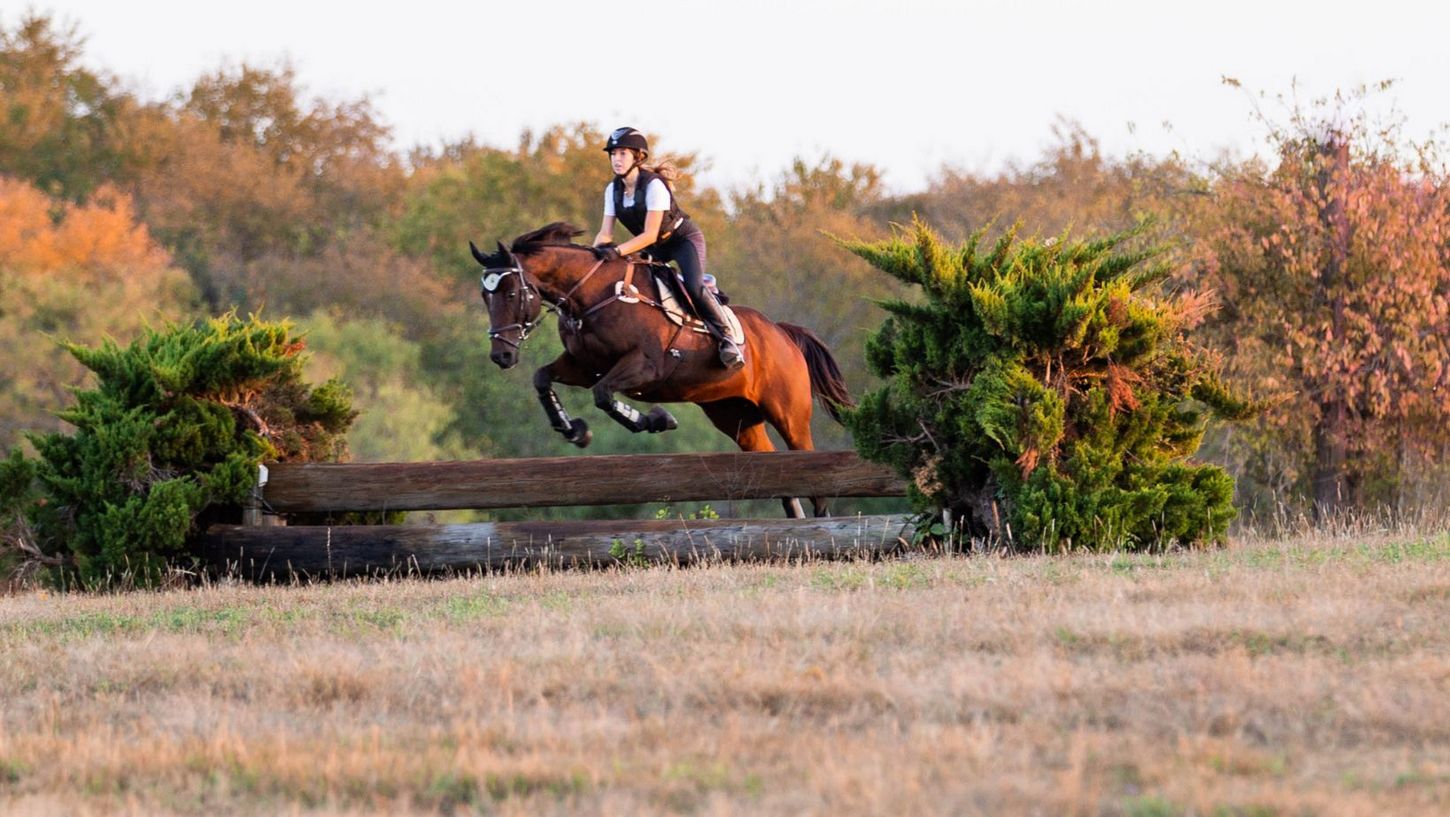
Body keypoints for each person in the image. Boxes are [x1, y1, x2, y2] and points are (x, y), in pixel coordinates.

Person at [591, 126, 744, 368]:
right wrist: (593, 261)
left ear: (637, 157)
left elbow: (650, 234)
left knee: (693, 286)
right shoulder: (613, 189)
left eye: (622, 153)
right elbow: (604, 233)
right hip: (653, 247)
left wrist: (618, 251)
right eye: (613, 154)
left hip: (681, 241)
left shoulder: (653, 186)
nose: (616, 159)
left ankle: (726, 336)